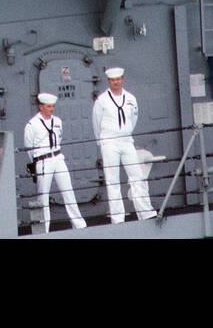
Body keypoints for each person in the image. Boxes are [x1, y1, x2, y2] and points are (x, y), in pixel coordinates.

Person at [92, 67, 155, 223]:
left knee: (137, 176)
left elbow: (133, 118)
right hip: (109, 142)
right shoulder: (101, 101)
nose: (116, 82)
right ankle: (117, 216)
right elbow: (96, 123)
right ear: (109, 81)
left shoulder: (131, 98)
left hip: (126, 141)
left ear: (122, 79)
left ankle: (145, 211)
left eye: (118, 79)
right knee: (112, 179)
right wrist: (102, 141)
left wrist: (125, 132)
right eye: (113, 80)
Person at [23, 92, 86, 233]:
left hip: (58, 158)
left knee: (68, 191)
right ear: (41, 107)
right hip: (42, 160)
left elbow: (60, 137)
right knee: (43, 196)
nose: (51, 109)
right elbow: (29, 147)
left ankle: (79, 224)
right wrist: (37, 161)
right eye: (48, 106)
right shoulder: (32, 124)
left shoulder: (57, 121)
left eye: (52, 106)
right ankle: (44, 229)